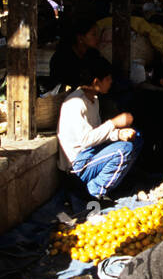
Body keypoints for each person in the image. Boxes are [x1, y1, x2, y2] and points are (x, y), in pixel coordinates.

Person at [57, 54, 141, 203]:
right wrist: (114, 123)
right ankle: (94, 191)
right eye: (108, 79)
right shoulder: (75, 103)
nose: (111, 82)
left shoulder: (94, 100)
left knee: (137, 138)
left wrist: (118, 134)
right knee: (124, 150)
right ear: (96, 82)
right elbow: (86, 140)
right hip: (77, 165)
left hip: (91, 153)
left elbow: (98, 133)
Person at [49, 11, 102, 91]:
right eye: (93, 34)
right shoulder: (62, 57)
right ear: (80, 38)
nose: (98, 38)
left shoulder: (93, 54)